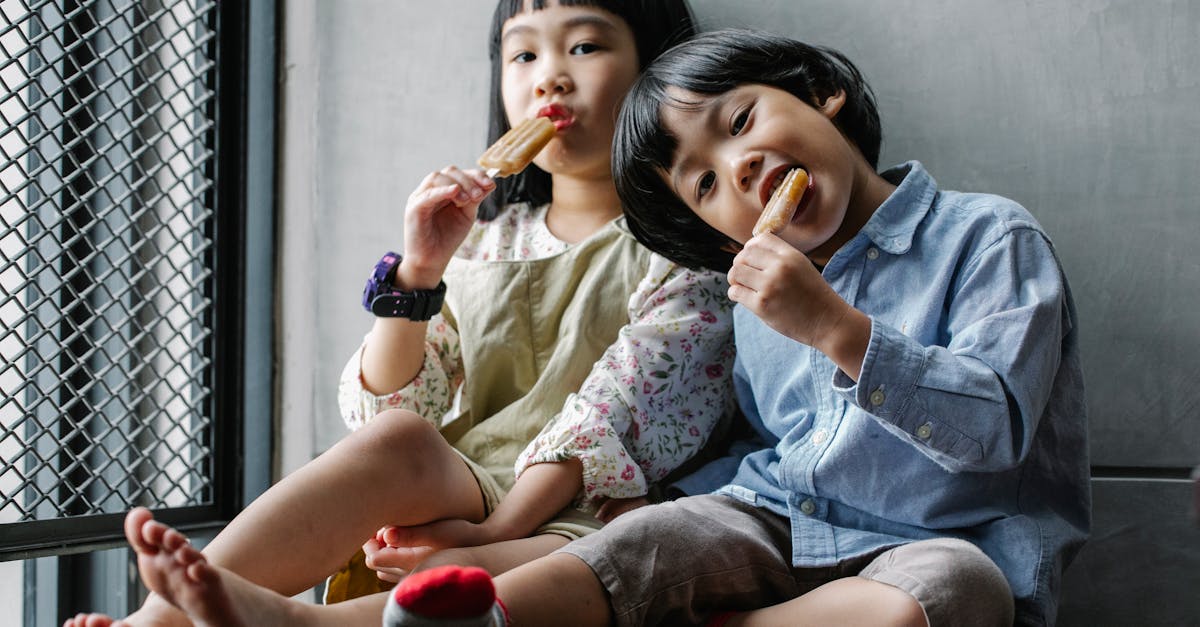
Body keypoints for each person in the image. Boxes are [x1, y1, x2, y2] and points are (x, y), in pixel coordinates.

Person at [363, 28, 1091, 626]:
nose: (738, 168)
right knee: (649, 538)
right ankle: (462, 620)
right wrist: (667, 500)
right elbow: (770, 442)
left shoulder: (989, 236)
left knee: (959, 589)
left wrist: (840, 330)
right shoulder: (755, 300)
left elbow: (995, 431)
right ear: (718, 240)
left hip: (937, 544)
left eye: (740, 122)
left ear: (820, 95)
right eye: (705, 184)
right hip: (778, 526)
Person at [63, 2, 735, 626]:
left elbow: (612, 412)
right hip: (473, 482)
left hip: (593, 507)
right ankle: (155, 620)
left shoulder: (688, 248)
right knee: (399, 442)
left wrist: (492, 532)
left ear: (656, 68)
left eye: (584, 46)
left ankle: (279, 619)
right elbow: (388, 411)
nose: (550, 79)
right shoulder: (486, 240)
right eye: (523, 56)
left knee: (457, 570)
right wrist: (419, 272)